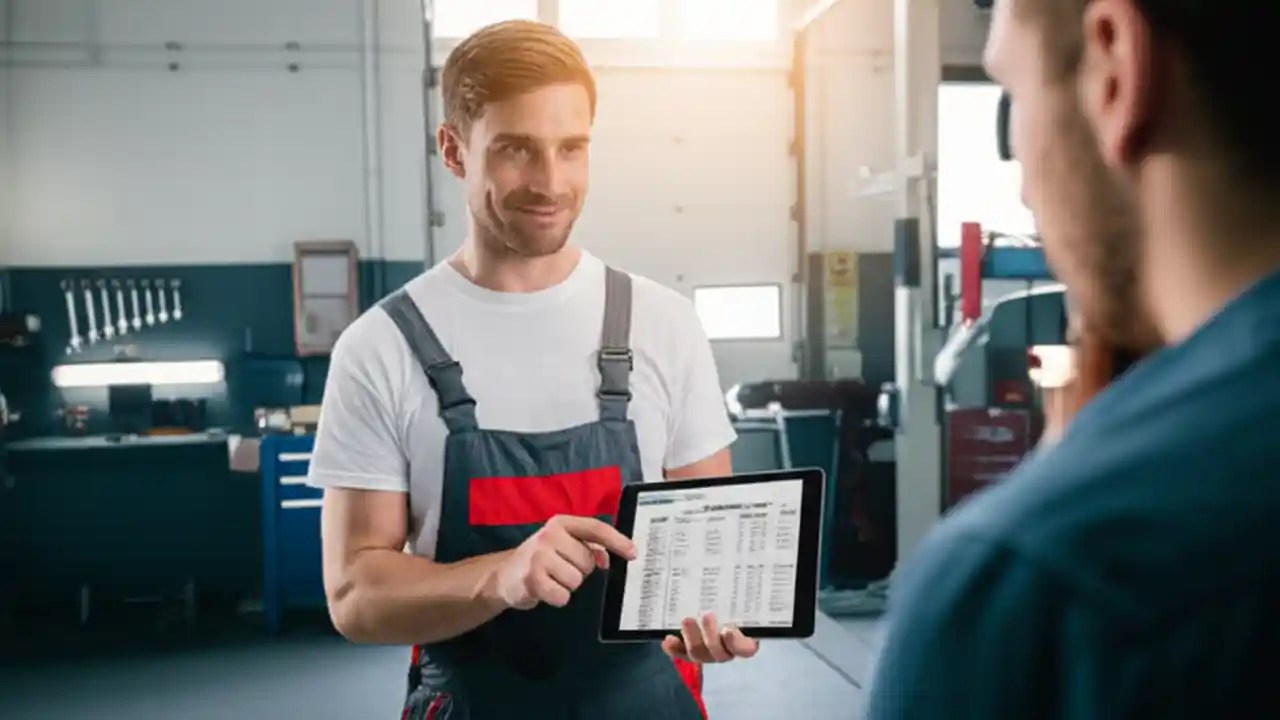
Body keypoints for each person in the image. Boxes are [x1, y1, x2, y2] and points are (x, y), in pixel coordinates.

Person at [307, 19, 758, 720]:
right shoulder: (381, 348)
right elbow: (354, 596)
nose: (551, 183)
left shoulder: (662, 324)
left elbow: (710, 559)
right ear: (454, 150)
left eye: (571, 149)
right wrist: (501, 575)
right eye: (516, 150)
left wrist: (714, 614)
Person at [864, 0, 1280, 717]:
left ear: (1115, 69)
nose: (1025, 187)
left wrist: (1070, 484)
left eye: (1015, 92)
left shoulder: (1036, 584)